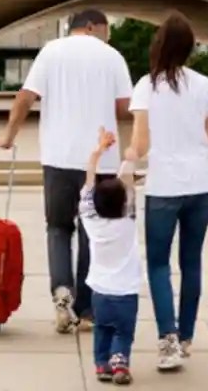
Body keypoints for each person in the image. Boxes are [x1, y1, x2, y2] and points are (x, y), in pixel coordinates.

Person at [0, 8, 133, 334]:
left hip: (57, 157)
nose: (108, 35)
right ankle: (86, 310)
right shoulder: (111, 56)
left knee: (57, 228)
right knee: (91, 232)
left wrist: (8, 137)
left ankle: (61, 290)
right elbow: (124, 109)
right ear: (93, 26)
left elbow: (25, 98)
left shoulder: (50, 52)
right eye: (106, 29)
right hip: (101, 161)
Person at [125, 12, 208, 371]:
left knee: (159, 264)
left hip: (164, 186)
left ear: (159, 45)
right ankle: (187, 336)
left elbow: (141, 143)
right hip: (202, 185)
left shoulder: (146, 86)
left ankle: (168, 341)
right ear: (190, 47)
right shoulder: (206, 86)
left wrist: (127, 164)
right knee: (191, 261)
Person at [80, 127, 139, 385]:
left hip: (100, 290)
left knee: (102, 329)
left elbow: (89, 180)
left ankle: (101, 364)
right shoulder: (128, 220)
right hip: (126, 291)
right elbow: (128, 182)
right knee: (123, 332)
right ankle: (119, 362)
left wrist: (98, 150)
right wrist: (129, 157)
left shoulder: (91, 220)